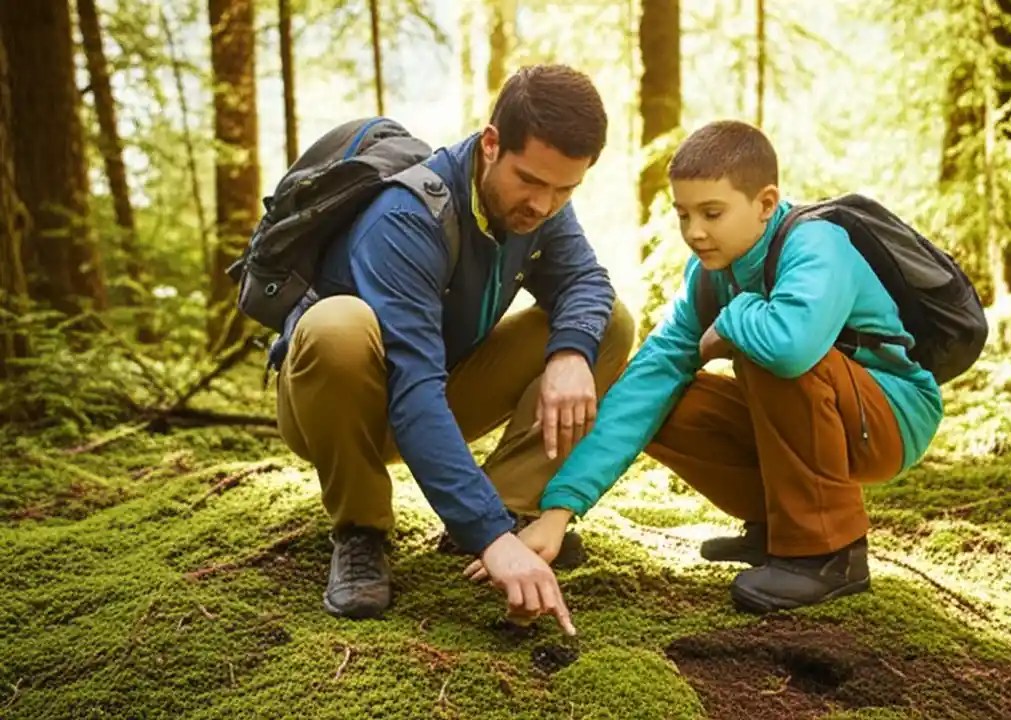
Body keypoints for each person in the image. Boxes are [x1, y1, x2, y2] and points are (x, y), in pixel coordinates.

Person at [494, 119, 943, 613]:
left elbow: (793, 347)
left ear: (765, 204)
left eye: (712, 213)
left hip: (891, 416)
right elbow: (645, 386)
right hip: (828, 415)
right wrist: (559, 510)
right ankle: (777, 527)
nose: (694, 232)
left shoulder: (816, 244)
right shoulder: (707, 277)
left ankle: (828, 556)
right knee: (664, 398)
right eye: (683, 215)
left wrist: (735, 318)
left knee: (767, 351)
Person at [274, 64, 635, 631]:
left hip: (440, 384)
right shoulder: (405, 218)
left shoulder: (540, 208)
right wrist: (487, 539)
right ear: (491, 144)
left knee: (605, 324)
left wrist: (569, 353)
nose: (543, 205)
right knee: (336, 326)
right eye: (532, 181)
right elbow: (413, 388)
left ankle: (509, 506)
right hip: (337, 400)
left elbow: (586, 282)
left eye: (566, 189)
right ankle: (360, 531)